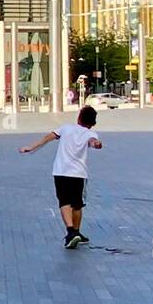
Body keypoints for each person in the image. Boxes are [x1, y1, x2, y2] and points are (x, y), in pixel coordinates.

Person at [19, 105, 103, 250]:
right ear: (92, 123)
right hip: (78, 174)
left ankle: (72, 232)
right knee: (77, 204)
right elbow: (93, 142)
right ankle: (75, 232)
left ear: (79, 117)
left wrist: (31, 147)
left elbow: (48, 138)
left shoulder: (65, 128)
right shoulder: (90, 134)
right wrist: (97, 144)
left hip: (61, 171)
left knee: (64, 201)